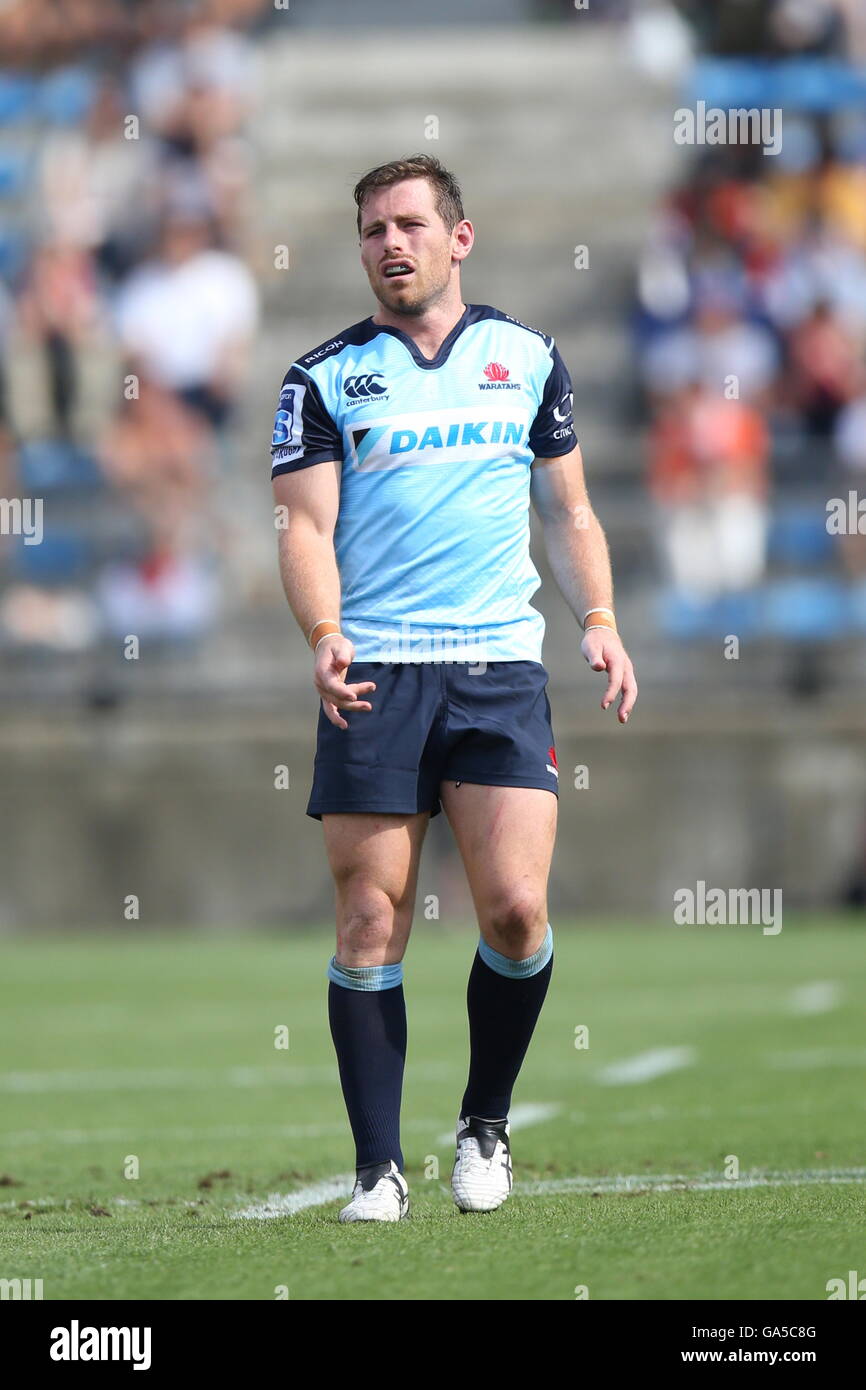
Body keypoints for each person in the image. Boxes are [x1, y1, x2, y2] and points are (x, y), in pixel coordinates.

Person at [270, 155, 637, 1223]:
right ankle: (377, 1168)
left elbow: (568, 515)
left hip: (497, 668)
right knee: (365, 921)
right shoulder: (321, 377)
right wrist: (326, 632)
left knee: (517, 913)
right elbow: (303, 528)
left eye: (410, 224)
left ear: (457, 238)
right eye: (373, 229)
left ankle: (484, 1122)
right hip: (378, 671)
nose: (391, 243)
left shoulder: (525, 359)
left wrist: (601, 622)